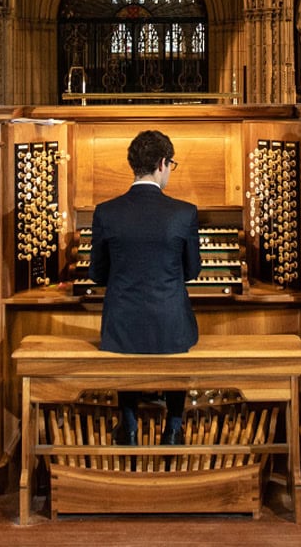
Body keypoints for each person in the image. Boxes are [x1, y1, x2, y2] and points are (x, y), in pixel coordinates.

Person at [89, 130, 201, 446]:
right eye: (171, 165)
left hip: (122, 325)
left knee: (129, 341)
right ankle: (174, 428)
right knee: (174, 332)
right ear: (163, 163)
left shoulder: (106, 211)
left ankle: (129, 426)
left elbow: (97, 274)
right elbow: (192, 271)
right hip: (170, 326)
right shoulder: (184, 212)